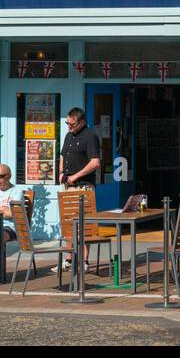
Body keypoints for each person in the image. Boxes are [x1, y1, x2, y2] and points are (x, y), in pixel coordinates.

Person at [55, 106, 100, 274]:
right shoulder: (68, 136)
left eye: (72, 124)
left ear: (81, 122)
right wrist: (61, 173)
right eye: (67, 123)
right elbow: (62, 156)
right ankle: (69, 259)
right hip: (68, 186)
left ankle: (84, 261)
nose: (69, 126)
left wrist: (75, 177)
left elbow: (95, 162)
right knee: (68, 223)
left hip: (83, 186)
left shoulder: (90, 136)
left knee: (84, 224)